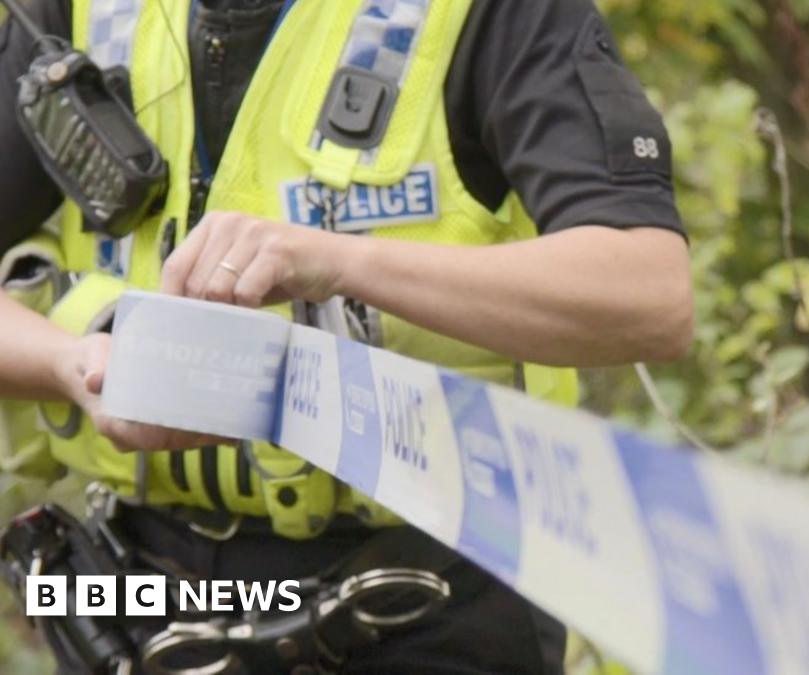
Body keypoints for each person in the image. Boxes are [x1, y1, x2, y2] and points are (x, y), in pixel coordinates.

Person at [0, 0, 692, 672]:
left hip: (421, 596)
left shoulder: (492, 13)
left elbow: (648, 295)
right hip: (135, 588)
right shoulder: (75, 12)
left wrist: (341, 263)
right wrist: (69, 362)